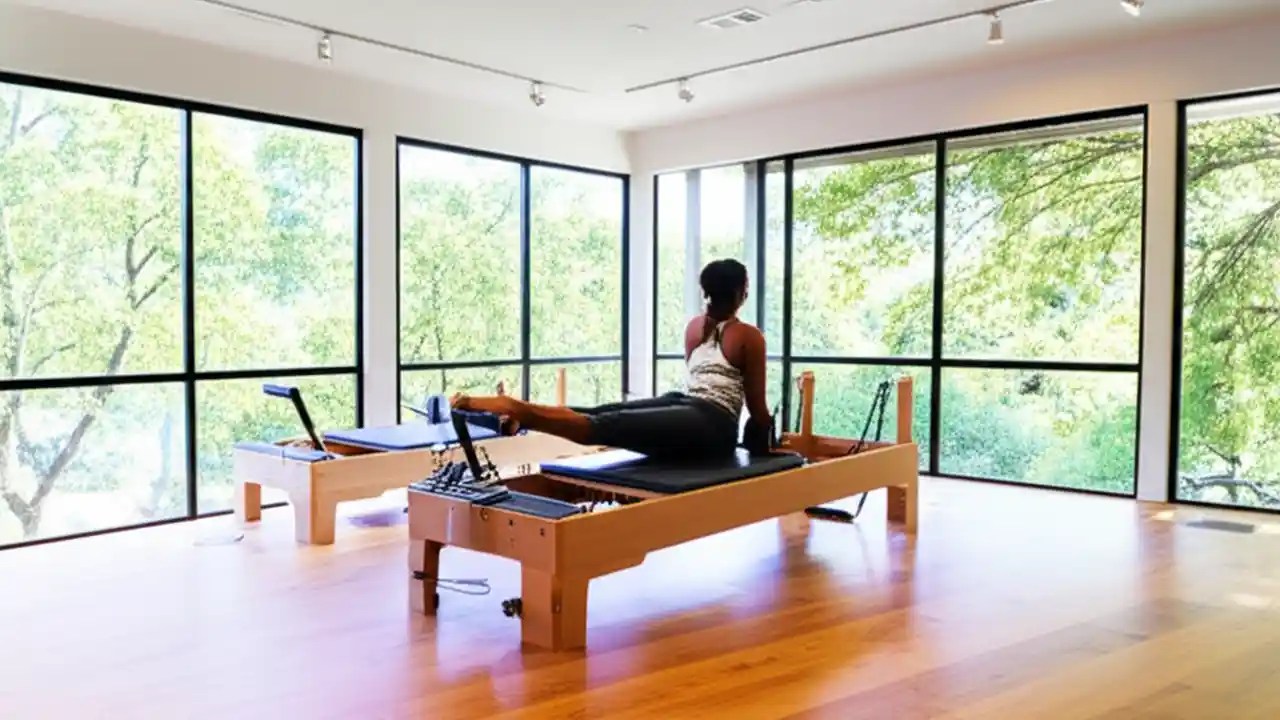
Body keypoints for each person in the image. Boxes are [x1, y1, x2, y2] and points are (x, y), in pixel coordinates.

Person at [450, 259, 775, 459]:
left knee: (608, 419)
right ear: (739, 294)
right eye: (745, 288)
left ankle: (521, 411)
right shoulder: (748, 336)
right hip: (711, 424)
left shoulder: (694, 328)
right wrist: (769, 440)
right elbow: (757, 410)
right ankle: (518, 410)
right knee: (605, 415)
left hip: (696, 412)